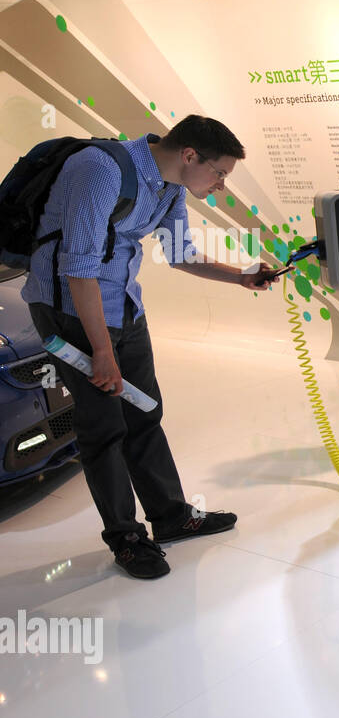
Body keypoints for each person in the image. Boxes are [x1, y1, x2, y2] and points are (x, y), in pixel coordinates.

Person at [22, 115, 276, 580]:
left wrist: (242, 277)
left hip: (123, 306)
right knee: (103, 427)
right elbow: (77, 267)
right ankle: (126, 538)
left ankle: (172, 517)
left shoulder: (171, 187)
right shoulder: (99, 168)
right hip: (71, 311)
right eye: (220, 173)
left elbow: (179, 254)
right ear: (190, 155)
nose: (221, 186)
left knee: (145, 412)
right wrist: (101, 351)